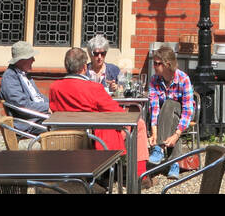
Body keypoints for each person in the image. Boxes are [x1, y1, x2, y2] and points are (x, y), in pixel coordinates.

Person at [48, 47, 147, 179]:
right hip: (93, 136)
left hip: (66, 135)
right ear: (84, 67)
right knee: (139, 124)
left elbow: (53, 109)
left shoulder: (54, 87)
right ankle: (141, 176)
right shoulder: (94, 88)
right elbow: (117, 112)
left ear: (66, 66)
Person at [146, 45, 194, 177]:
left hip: (183, 112)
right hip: (165, 117)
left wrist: (177, 134)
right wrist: (154, 132)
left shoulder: (183, 79)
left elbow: (188, 110)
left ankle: (159, 148)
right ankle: (174, 163)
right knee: (171, 116)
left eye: (157, 63)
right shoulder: (154, 80)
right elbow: (154, 107)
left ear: (167, 65)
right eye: (154, 63)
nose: (154, 66)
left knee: (169, 104)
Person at [0, 40, 49, 136]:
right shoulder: (10, 77)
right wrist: (48, 107)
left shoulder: (24, 75)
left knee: (66, 122)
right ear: (21, 60)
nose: (34, 60)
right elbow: (21, 105)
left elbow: (38, 97)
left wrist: (56, 104)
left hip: (40, 116)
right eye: (31, 57)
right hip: (29, 122)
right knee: (61, 128)